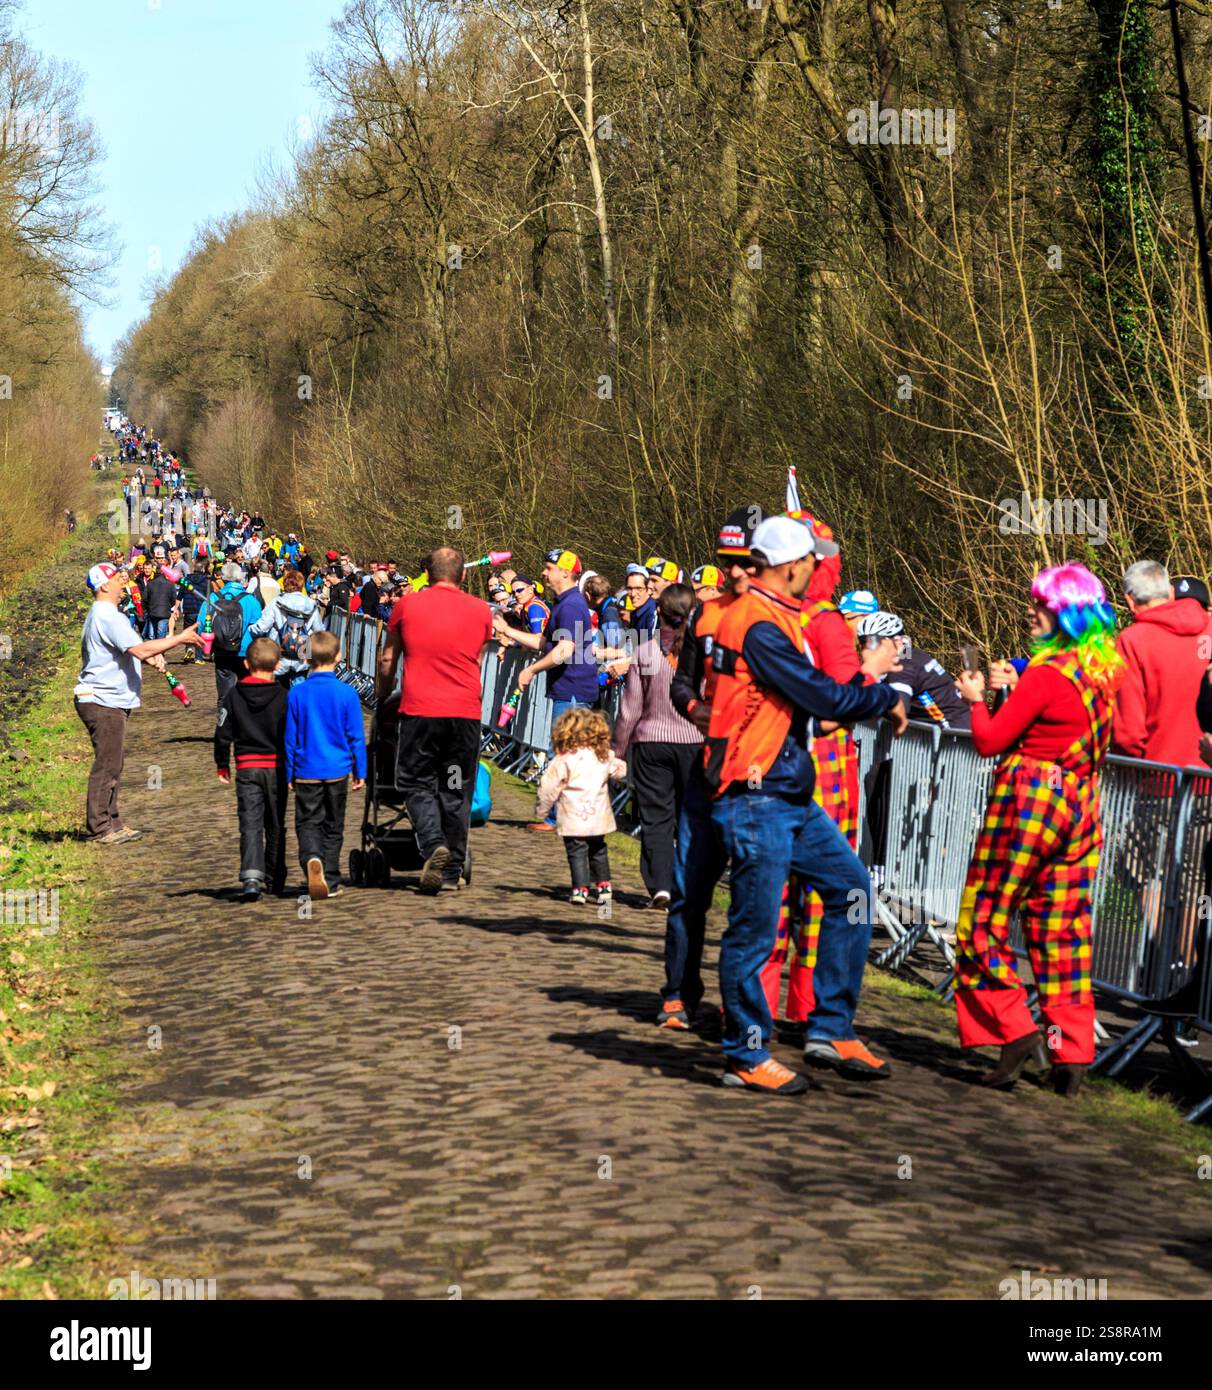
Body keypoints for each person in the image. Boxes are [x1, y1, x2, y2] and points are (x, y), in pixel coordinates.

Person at [705, 516, 906, 1093]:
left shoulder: (780, 616)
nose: (819, 573)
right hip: (754, 793)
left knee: (853, 893)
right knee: (755, 929)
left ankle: (831, 1026)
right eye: (813, 564)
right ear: (792, 565)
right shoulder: (759, 624)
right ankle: (745, 1054)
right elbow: (820, 695)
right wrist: (879, 695)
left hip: (786, 791)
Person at [953, 563, 1123, 1096]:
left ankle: (1014, 1029)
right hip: (1081, 807)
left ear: (1064, 614)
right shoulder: (1103, 676)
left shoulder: (1047, 675)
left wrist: (977, 699)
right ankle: (1068, 1056)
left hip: (1030, 803)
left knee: (981, 919)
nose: (1030, 612)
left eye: (1040, 606)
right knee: (1060, 934)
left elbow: (990, 739)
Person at [660, 505, 765, 1029]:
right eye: (726, 561)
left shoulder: (784, 614)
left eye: (744, 560)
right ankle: (678, 992)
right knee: (688, 893)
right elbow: (683, 681)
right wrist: (695, 708)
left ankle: (742, 1010)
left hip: (762, 778)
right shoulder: (707, 612)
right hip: (708, 769)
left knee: (754, 899)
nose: (733, 572)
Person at [376, 545, 494, 893]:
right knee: (455, 788)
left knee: (416, 782)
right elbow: (477, 655)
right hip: (463, 717)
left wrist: (383, 696)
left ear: (428, 573)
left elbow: (387, 661)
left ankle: (432, 844)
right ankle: (452, 868)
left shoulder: (407, 605)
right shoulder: (479, 610)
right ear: (464, 574)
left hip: (421, 713)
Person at [74, 562, 199, 843]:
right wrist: (179, 638)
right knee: (107, 765)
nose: (123, 582)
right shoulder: (107, 615)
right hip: (103, 700)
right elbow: (140, 648)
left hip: (108, 699)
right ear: (104, 586)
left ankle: (113, 823)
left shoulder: (106, 614)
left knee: (114, 763)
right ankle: (100, 828)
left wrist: (149, 655)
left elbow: (132, 650)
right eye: (117, 579)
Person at [492, 548, 600, 831]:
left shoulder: (573, 605)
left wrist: (530, 670)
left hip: (573, 691)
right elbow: (546, 644)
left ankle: (559, 819)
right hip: (566, 689)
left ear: (565, 572)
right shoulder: (564, 603)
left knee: (564, 756)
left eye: (548, 569)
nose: (543, 573)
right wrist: (508, 630)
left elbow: (564, 650)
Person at [612, 584, 702, 909]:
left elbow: (630, 709)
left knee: (656, 818)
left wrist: (617, 750)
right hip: (694, 743)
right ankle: (686, 885)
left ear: (659, 612)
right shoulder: (703, 653)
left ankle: (660, 886)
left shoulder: (646, 652)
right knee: (690, 818)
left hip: (651, 743)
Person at [285, 630, 367, 900]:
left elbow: (290, 737)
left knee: (308, 822)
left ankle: (311, 858)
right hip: (337, 769)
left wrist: (288, 771)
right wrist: (360, 771)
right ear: (338, 657)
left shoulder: (297, 693)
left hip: (306, 768)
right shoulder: (347, 693)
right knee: (333, 825)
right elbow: (356, 736)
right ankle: (330, 877)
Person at [1112, 559, 1212, 766]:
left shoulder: (1132, 640)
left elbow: (1128, 732)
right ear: (1171, 592)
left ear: (1129, 601)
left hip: (1158, 779)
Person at [214, 637, 289, 902]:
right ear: (278, 666)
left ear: (246, 664)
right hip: (277, 767)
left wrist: (222, 764)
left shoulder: (234, 695)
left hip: (247, 767)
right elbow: (289, 736)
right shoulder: (283, 696)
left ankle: (251, 876)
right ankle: (275, 875)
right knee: (276, 823)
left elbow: (223, 732)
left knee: (250, 822)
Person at [536, 708, 628, 905]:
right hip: (597, 816)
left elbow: (548, 785)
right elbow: (620, 769)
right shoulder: (603, 756)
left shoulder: (564, 759)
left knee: (576, 851)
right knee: (598, 849)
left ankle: (580, 888)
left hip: (573, 816)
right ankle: (604, 886)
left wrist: (542, 809)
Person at [855, 611, 971, 730]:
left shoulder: (903, 667)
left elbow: (897, 708)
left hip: (953, 737)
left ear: (897, 641)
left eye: (872, 642)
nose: (866, 650)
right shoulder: (912, 655)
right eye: (862, 643)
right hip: (952, 731)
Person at [199, 562, 264, 705]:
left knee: (225, 694)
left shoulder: (212, 599)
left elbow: (201, 625)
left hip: (221, 650)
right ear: (240, 578)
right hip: (245, 651)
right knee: (246, 692)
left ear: (223, 578)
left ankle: (225, 721)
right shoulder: (251, 601)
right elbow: (260, 629)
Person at [623, 564, 658, 638]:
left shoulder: (653, 613)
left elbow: (651, 647)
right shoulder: (635, 613)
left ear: (648, 589)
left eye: (638, 589)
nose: (633, 594)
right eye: (629, 588)